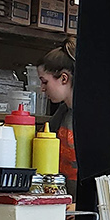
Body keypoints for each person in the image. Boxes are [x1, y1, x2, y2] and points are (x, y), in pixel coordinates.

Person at [37, 39, 77, 188]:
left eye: (45, 82)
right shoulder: (62, 112)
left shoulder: (92, 116)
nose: (42, 88)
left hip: (87, 206)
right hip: (64, 201)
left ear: (64, 78)